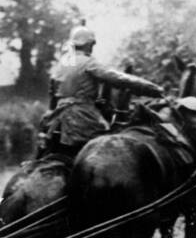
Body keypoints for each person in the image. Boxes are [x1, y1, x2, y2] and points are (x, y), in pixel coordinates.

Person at [38, 27, 164, 158]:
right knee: (110, 143)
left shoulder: (62, 63)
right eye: (92, 44)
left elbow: (52, 93)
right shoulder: (89, 62)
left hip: (56, 118)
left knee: (44, 149)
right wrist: (152, 88)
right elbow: (118, 78)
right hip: (82, 116)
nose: (92, 47)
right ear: (88, 44)